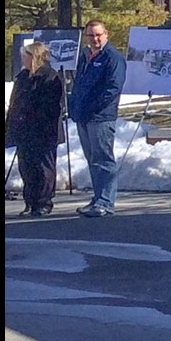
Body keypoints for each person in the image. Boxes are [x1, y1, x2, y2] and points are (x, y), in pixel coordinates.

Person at [67, 20, 128, 217]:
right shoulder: (85, 56)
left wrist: (91, 108)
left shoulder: (113, 58)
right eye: (91, 35)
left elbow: (112, 89)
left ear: (106, 34)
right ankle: (97, 198)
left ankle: (106, 202)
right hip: (83, 117)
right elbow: (79, 85)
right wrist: (75, 107)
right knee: (92, 159)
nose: (95, 39)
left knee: (103, 159)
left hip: (101, 117)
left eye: (98, 35)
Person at [6, 39, 65, 216]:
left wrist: (32, 117)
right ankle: (30, 200)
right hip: (24, 130)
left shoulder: (50, 76)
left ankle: (43, 202)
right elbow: (15, 103)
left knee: (43, 167)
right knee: (26, 166)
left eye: (25, 56)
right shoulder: (23, 77)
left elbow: (51, 106)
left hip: (43, 130)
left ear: (34, 57)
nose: (22, 60)